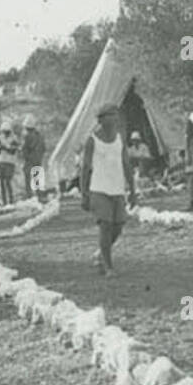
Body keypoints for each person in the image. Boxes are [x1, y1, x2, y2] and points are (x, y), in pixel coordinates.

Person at [80, 105, 135, 276]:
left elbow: (126, 163)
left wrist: (132, 189)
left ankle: (100, 254)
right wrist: (84, 194)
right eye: (110, 116)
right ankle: (108, 267)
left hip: (117, 188)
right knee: (106, 225)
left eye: (115, 115)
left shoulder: (120, 138)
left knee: (118, 226)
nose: (114, 119)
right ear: (101, 120)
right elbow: (85, 168)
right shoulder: (92, 141)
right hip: (98, 188)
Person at [0, 121, 20, 206]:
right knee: (1, 182)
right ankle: (4, 201)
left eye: (7, 131)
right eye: (4, 131)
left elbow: (13, 151)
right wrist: (1, 147)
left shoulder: (14, 138)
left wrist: (4, 147)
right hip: (1, 161)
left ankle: (11, 200)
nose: (6, 133)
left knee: (8, 182)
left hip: (10, 162)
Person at [21, 115, 46, 200]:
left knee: (27, 178)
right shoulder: (40, 136)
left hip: (29, 160)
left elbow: (24, 149)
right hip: (38, 159)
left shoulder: (27, 136)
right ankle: (39, 195)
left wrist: (26, 157)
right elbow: (44, 148)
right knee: (37, 178)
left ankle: (29, 196)